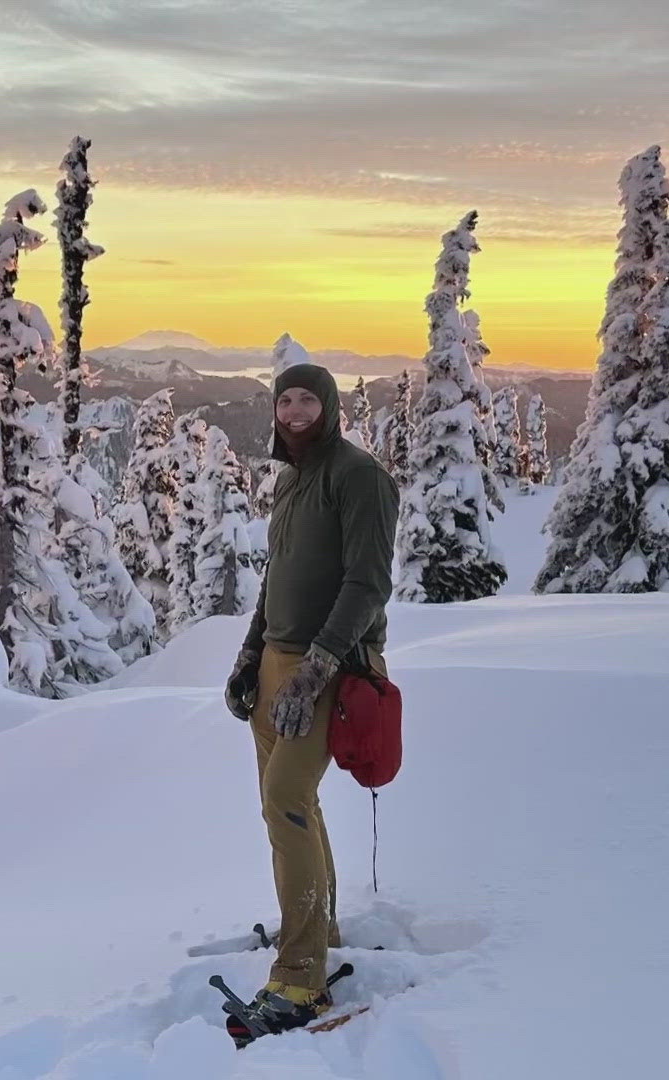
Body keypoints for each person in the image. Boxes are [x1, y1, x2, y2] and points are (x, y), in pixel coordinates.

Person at [222, 359, 398, 1035]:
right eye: (284, 400)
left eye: (306, 401)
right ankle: (316, 928)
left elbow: (367, 584)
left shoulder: (359, 477)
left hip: (331, 666)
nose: (294, 412)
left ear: (328, 407)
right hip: (277, 662)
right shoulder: (294, 479)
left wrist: (316, 668)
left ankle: (301, 978)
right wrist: (250, 655)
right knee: (290, 802)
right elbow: (277, 578)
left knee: (285, 798)